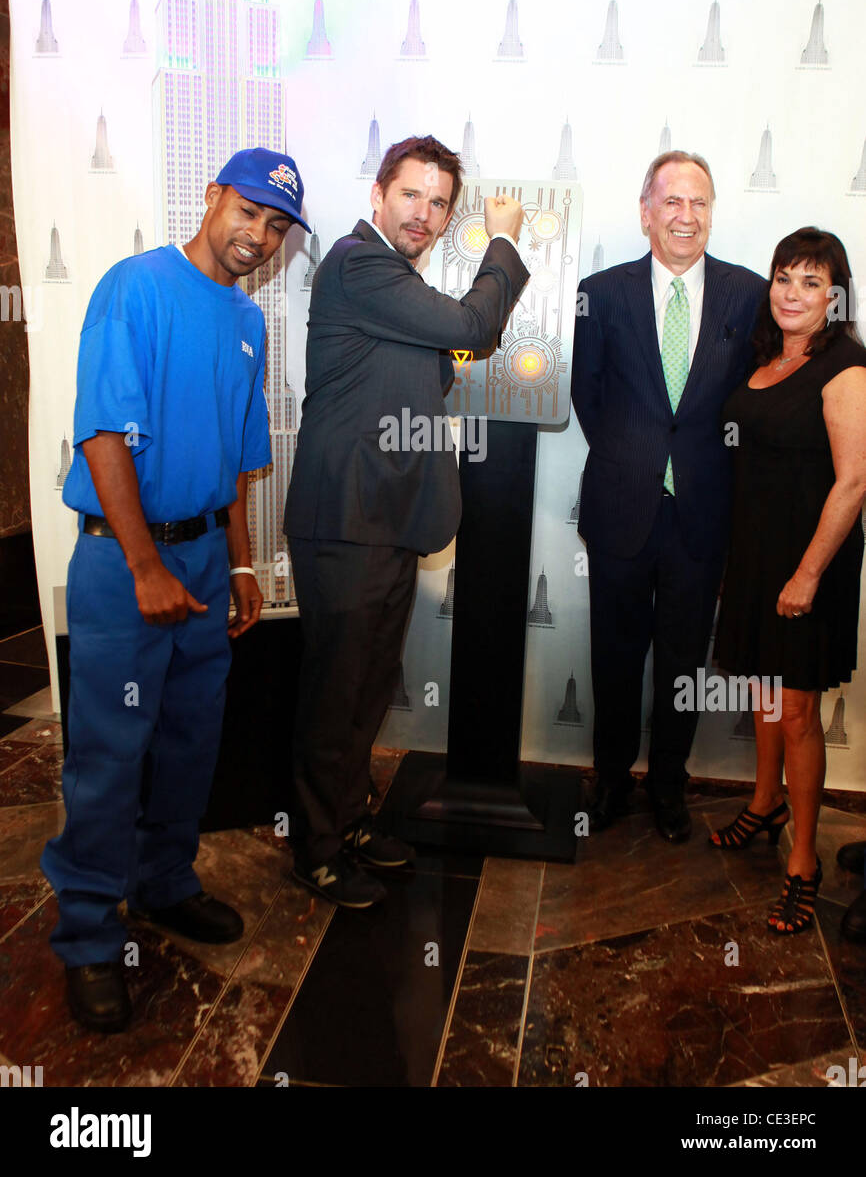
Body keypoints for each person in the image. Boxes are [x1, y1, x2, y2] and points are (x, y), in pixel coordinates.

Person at [42, 147, 310, 1031]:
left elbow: (239, 463)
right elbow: (104, 437)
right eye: (250, 213)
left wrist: (239, 562)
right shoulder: (137, 286)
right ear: (213, 198)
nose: (259, 237)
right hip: (126, 564)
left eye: (276, 228)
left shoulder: (248, 322)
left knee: (193, 741)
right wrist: (145, 566)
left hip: (202, 561)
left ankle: (164, 886)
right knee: (110, 756)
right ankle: (86, 937)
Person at [285, 134, 527, 907]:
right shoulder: (361, 265)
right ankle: (314, 851)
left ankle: (348, 822)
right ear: (378, 195)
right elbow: (472, 327)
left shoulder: (396, 288)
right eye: (412, 195)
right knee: (335, 696)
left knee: (362, 692)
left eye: (439, 202)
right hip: (346, 520)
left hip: (388, 520)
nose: (424, 213)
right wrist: (503, 241)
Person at [572, 151, 766, 842]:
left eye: (700, 204)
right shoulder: (603, 291)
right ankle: (611, 780)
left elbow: (753, 400)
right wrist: (638, 458)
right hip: (623, 508)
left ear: (712, 212)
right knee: (614, 659)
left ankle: (669, 786)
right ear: (646, 211)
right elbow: (587, 395)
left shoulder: (749, 296)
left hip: (703, 518)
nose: (687, 217)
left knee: (683, 662)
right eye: (673, 202)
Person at [710, 228, 866, 935]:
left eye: (811, 282)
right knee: (766, 695)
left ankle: (804, 862)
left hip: (810, 562)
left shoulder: (846, 367)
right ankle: (764, 803)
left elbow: (855, 481)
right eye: (783, 278)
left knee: (798, 712)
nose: (792, 293)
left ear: (836, 296)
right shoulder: (767, 357)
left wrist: (807, 574)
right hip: (755, 556)